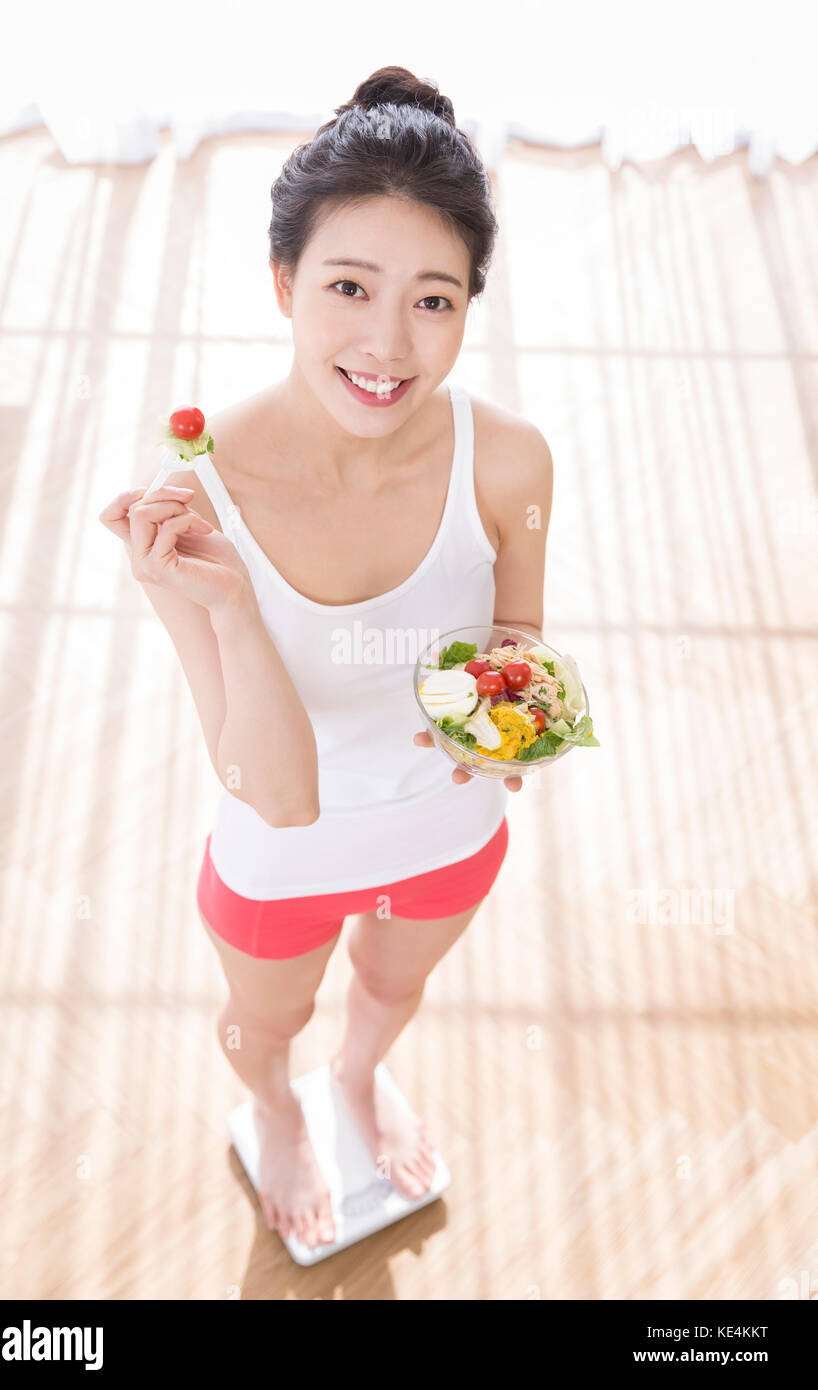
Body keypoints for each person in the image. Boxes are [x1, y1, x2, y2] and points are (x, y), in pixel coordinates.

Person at [99, 65, 553, 1251]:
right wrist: (228, 608)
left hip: (448, 833)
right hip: (277, 856)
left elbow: (520, 636)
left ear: (467, 309)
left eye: (434, 301)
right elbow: (281, 798)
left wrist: (507, 724)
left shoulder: (508, 461)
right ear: (284, 280)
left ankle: (354, 1078)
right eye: (349, 285)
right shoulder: (193, 495)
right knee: (265, 1023)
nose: (388, 347)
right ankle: (281, 1110)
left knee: (392, 990)